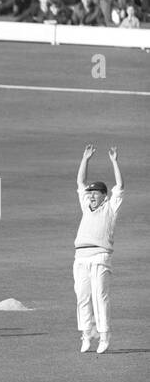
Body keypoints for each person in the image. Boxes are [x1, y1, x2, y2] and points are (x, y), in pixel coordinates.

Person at [73, 145, 125, 354]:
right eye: (90, 193)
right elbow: (80, 182)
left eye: (95, 193)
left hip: (100, 256)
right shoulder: (86, 206)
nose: (91, 196)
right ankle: (87, 334)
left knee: (99, 295)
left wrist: (114, 161)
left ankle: (104, 335)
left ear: (104, 195)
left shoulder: (111, 208)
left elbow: (120, 185)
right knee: (83, 297)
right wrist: (85, 159)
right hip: (80, 256)